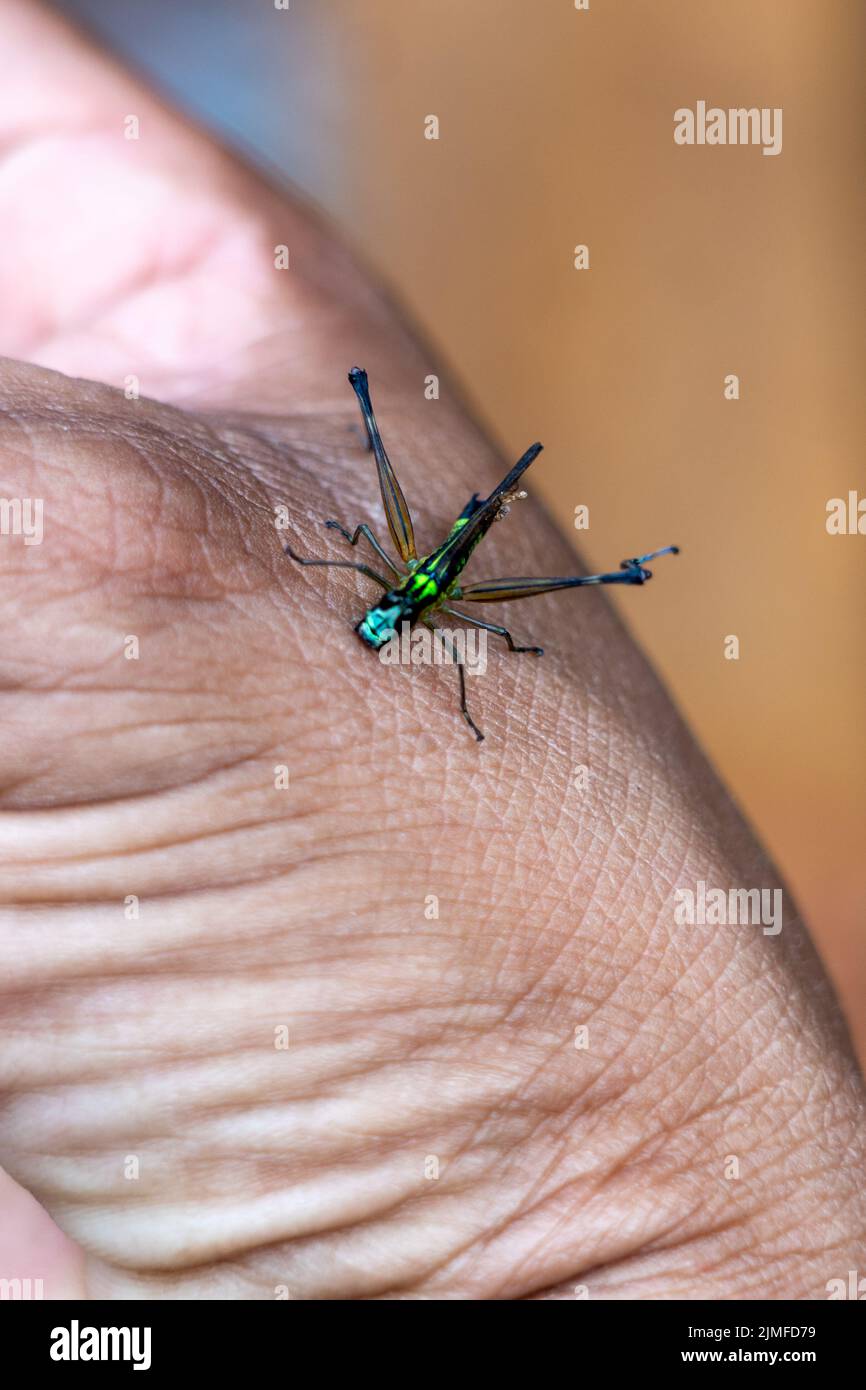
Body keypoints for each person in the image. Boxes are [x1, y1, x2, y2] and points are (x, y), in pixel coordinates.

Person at [0, 0, 863, 1299]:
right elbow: (346, 571)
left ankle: (610, 565)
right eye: (379, 621)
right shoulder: (368, 585)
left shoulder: (426, 614)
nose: (379, 628)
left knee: (500, 605)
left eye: (385, 622)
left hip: (460, 537)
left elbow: (454, 639)